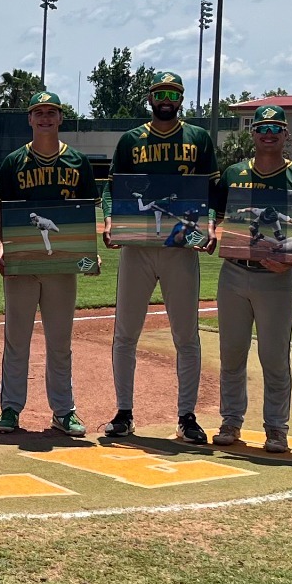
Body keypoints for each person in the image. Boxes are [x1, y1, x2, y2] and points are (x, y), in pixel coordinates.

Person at [104, 72, 217, 442]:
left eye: (172, 93)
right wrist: (109, 220)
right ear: (150, 98)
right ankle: (123, 412)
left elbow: (212, 191)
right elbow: (112, 188)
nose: (166, 99)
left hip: (181, 248)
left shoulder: (198, 138)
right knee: (125, 333)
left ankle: (187, 416)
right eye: (159, 93)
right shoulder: (131, 139)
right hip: (137, 247)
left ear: (181, 98)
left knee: (186, 335)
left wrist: (212, 224)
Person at [209, 104, 292, 453]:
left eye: (276, 128)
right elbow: (217, 214)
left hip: (277, 279)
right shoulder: (234, 173)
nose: (268, 134)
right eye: (262, 128)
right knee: (232, 352)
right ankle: (231, 421)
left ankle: (276, 427)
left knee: (273, 357)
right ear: (252, 133)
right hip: (235, 273)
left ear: (286, 134)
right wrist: (210, 232)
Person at [0, 90, 99, 436]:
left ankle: (63, 409)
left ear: (59, 118)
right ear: (29, 119)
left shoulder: (77, 162)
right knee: (17, 338)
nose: (44, 118)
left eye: (50, 113)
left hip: (62, 266)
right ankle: (10, 408)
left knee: (59, 340)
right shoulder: (14, 162)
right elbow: (2, 213)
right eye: (38, 113)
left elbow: (86, 213)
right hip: (23, 261)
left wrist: (90, 249)